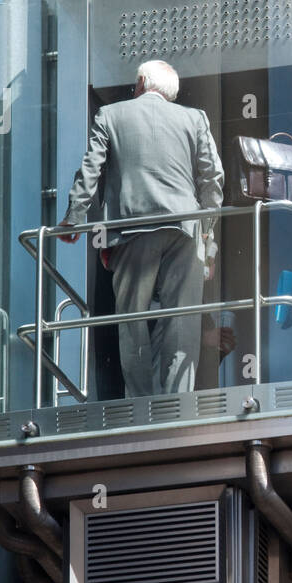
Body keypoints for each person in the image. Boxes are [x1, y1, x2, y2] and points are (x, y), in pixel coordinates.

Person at [59, 60, 225, 398]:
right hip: (184, 228)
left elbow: (91, 170)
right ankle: (177, 400)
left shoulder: (111, 115)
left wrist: (74, 217)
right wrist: (206, 238)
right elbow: (212, 180)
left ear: (141, 81)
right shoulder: (194, 119)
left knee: (132, 321)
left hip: (133, 228)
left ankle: (140, 402)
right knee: (182, 320)